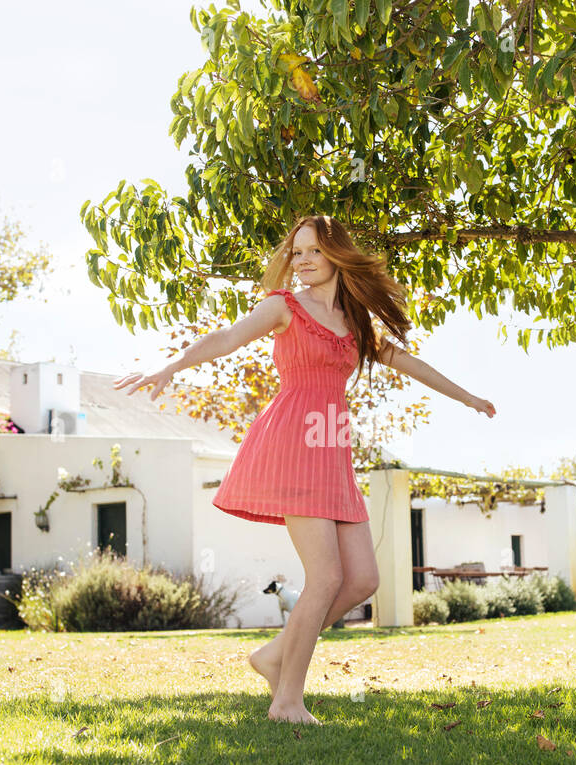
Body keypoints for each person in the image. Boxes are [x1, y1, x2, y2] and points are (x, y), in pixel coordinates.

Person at [113, 214, 496, 724]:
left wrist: (468, 396)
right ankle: (287, 700)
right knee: (325, 577)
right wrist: (168, 367)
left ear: (336, 254)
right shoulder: (283, 307)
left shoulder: (354, 322)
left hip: (333, 450)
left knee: (361, 579)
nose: (304, 260)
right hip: (294, 444)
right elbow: (226, 337)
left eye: (314, 251)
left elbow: (408, 362)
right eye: (298, 252)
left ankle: (274, 655)